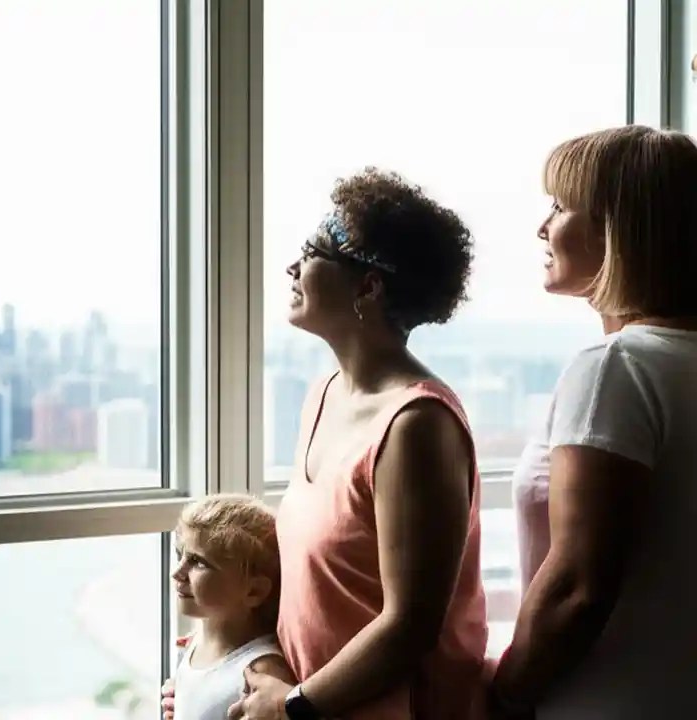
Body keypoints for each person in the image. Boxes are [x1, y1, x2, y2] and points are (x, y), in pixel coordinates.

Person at [230, 168, 487, 720]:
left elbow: (410, 624)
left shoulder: (417, 426)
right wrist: (230, 662)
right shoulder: (322, 395)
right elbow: (317, 588)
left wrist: (292, 708)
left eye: (312, 251)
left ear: (368, 287)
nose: (292, 267)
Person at [489, 126, 697, 719]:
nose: (542, 227)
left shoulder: (617, 368)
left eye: (558, 206)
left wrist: (503, 696)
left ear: (618, 227)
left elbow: (578, 588)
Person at [166, 494, 295, 720]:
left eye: (198, 562)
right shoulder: (194, 643)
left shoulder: (261, 674)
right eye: (181, 555)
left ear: (254, 591)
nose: (177, 573)